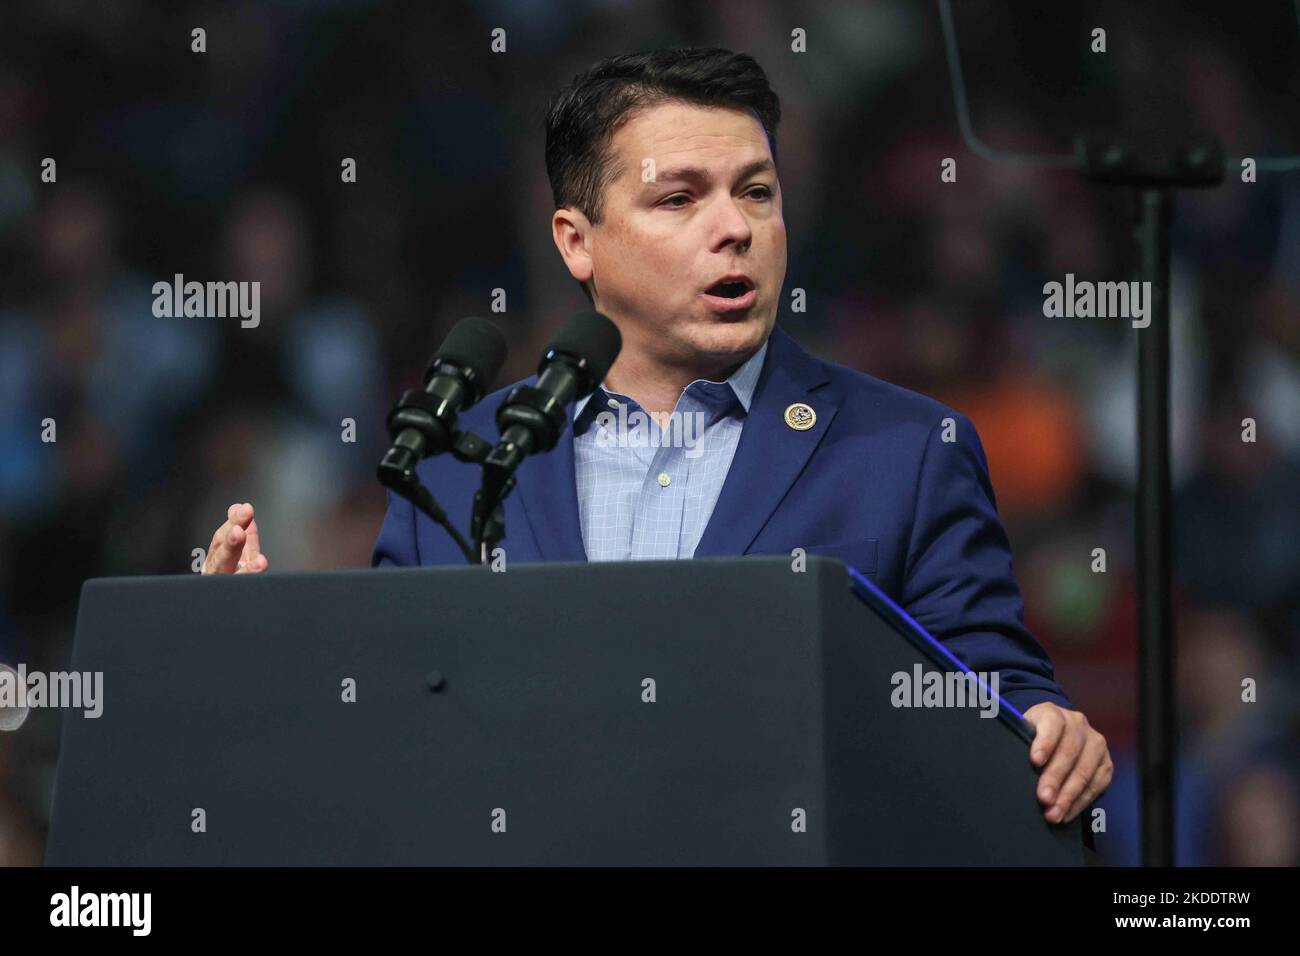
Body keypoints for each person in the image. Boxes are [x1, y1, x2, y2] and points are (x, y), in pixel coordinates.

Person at [203, 48, 1112, 826]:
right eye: (678, 199)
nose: (735, 229)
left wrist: (1048, 729)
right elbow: (397, 733)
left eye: (757, 193)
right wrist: (266, 648)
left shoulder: (909, 451)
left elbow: (992, 694)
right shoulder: (460, 458)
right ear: (577, 242)